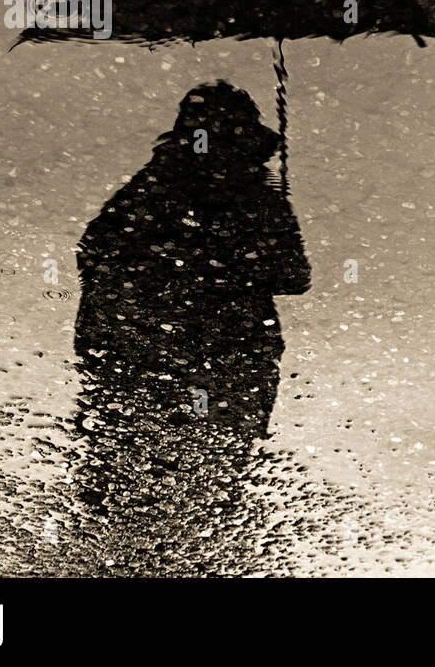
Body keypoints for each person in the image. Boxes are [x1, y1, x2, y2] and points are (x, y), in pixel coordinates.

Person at [71, 81, 310, 514]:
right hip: (225, 356)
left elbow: (94, 250)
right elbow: (294, 276)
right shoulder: (255, 194)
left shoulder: (155, 182)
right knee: (214, 476)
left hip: (141, 353)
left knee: (119, 468)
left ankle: (109, 541)